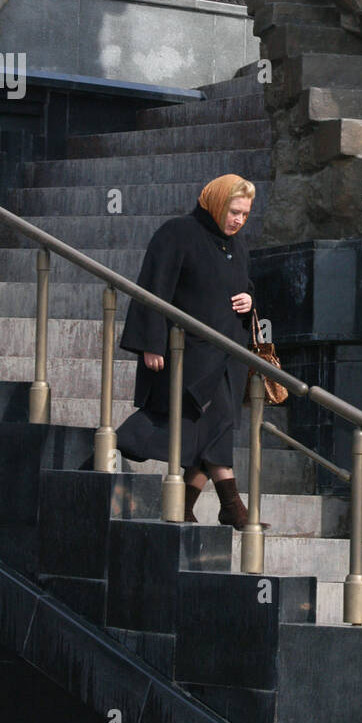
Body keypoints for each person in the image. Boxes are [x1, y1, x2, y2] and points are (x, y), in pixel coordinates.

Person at [117, 174, 266, 529]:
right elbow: (153, 288)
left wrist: (249, 299)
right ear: (215, 203)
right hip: (189, 354)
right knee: (214, 425)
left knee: (209, 430)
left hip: (227, 355)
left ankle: (184, 507)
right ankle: (232, 507)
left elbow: (239, 285)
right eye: (233, 211)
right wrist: (152, 344)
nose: (238, 220)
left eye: (245, 214)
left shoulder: (236, 244)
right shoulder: (178, 233)